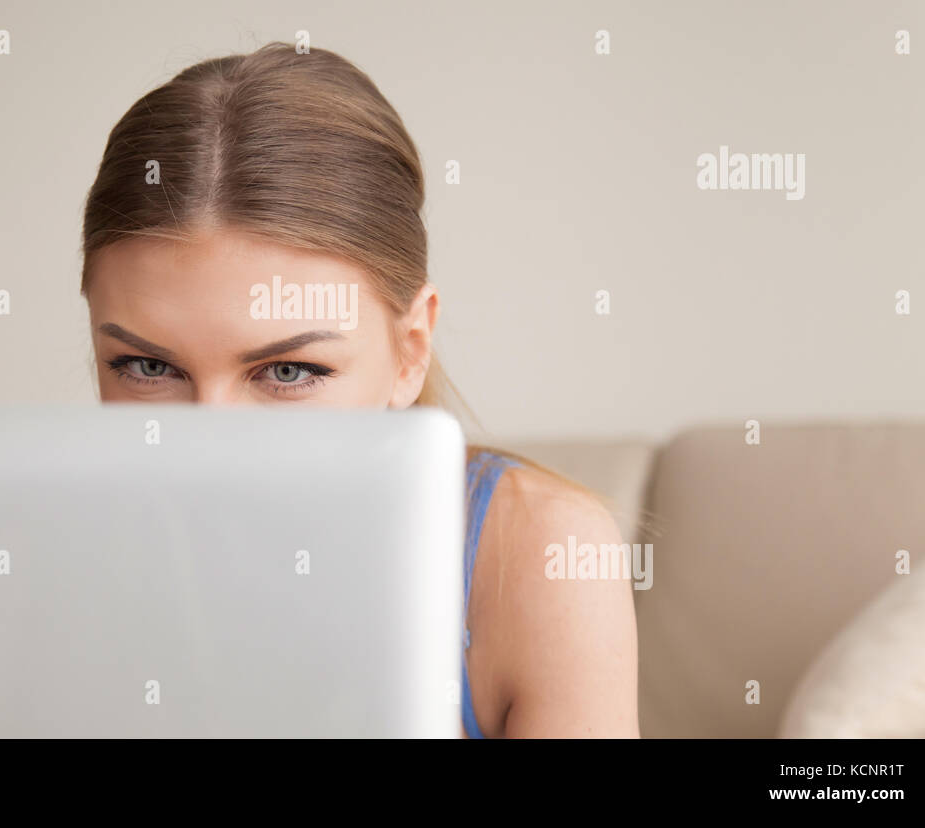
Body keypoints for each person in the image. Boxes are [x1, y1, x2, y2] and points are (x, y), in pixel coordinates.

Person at [79, 42, 640, 737]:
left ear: (409, 353)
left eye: (288, 372)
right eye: (148, 367)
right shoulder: (37, 557)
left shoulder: (533, 558)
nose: (210, 449)